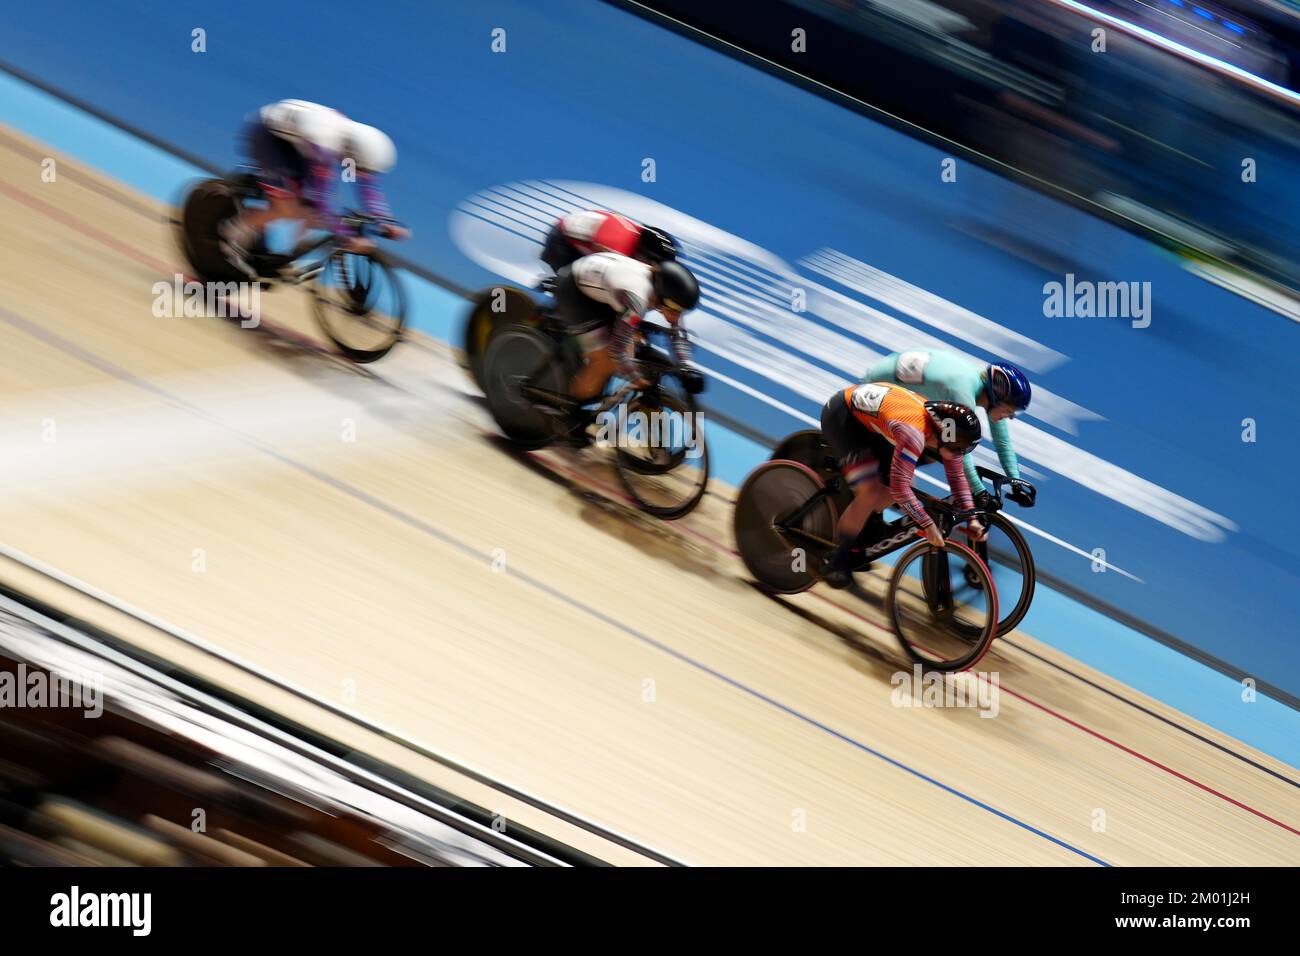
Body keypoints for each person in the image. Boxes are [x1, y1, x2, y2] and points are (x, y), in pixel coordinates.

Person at [819, 381, 986, 590]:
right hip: (843, 418)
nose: (960, 455)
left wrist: (972, 519)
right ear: (947, 436)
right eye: (960, 449)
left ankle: (864, 525)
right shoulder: (913, 434)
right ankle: (838, 559)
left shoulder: (944, 433)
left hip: (873, 421)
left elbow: (957, 478)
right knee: (871, 492)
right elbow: (901, 489)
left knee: (898, 484)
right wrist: (927, 525)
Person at [221, 99, 409, 273]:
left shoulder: (352, 146)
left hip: (296, 142)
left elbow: (364, 186)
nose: (361, 172)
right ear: (353, 154)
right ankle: (233, 233)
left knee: (312, 204)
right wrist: (346, 236)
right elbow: (322, 201)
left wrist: (386, 221)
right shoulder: (326, 144)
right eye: (360, 168)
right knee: (289, 209)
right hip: (267, 136)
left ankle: (292, 256)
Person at [551, 252, 703, 438]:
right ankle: (567, 414)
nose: (678, 317)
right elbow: (617, 352)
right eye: (676, 310)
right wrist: (638, 381)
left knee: (633, 345)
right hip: (575, 292)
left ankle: (591, 392)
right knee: (605, 361)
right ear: (665, 299)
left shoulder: (661, 290)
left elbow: (676, 331)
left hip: (603, 289)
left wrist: (687, 366)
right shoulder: (637, 299)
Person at [862, 350, 1037, 507]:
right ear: (996, 398)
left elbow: (1003, 442)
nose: (1010, 417)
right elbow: (958, 451)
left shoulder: (980, 386)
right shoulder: (963, 392)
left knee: (939, 449)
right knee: (943, 449)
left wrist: (1016, 483)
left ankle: (883, 479)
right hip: (875, 392)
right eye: (1009, 411)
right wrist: (979, 492)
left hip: (888, 387)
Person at [540, 210, 679, 275]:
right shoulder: (620, 250)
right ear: (644, 256)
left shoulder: (636, 233)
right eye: (652, 266)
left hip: (567, 230)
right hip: (560, 244)